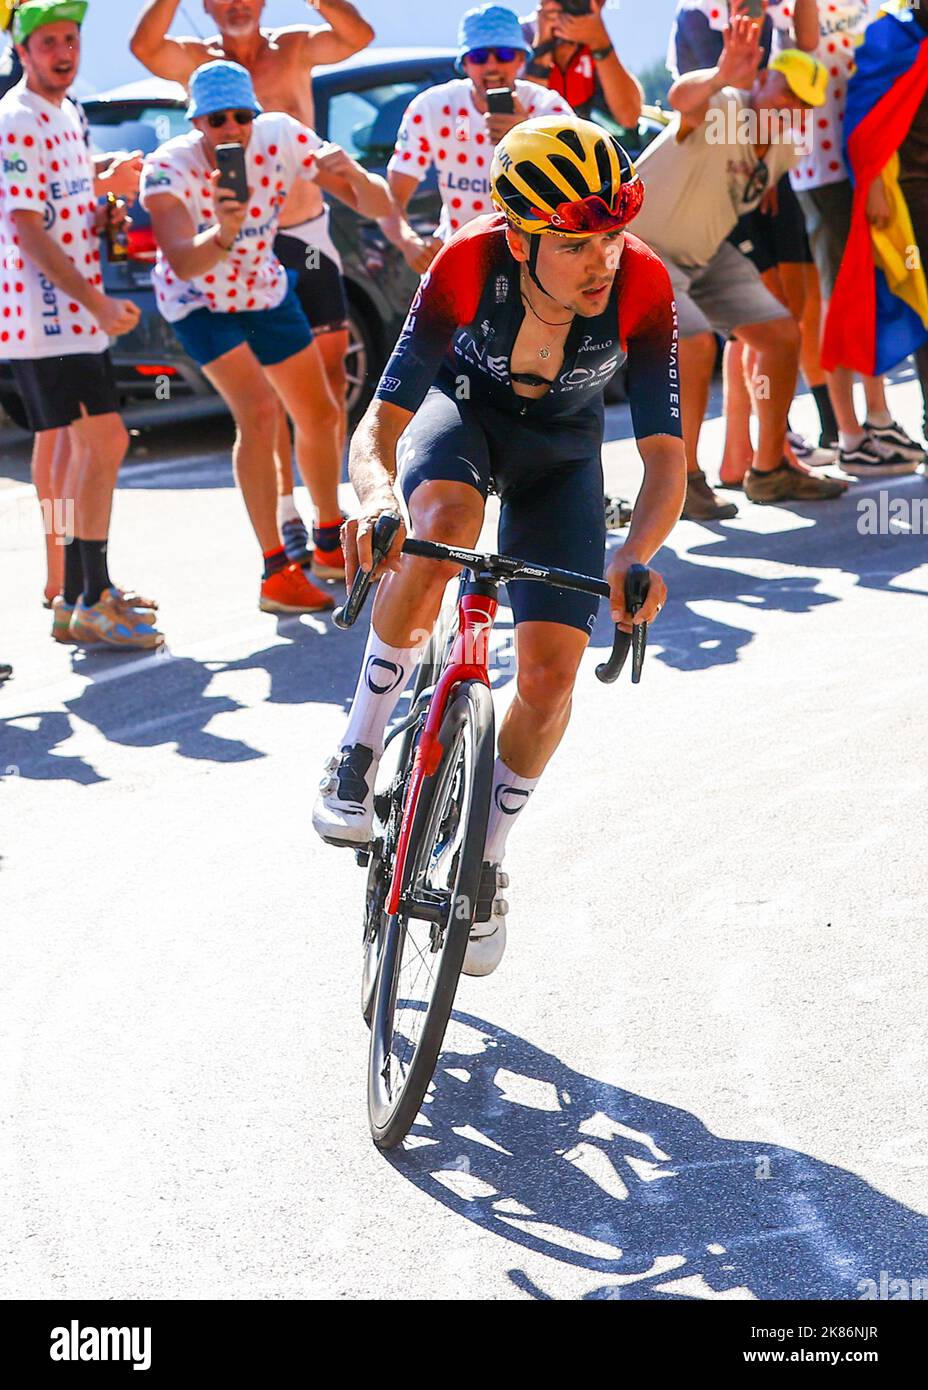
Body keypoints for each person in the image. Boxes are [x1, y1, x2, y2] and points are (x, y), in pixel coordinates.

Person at [314, 115, 685, 977]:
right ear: (520, 237)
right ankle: (360, 745)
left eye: (614, 235)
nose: (604, 260)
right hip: (463, 425)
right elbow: (381, 424)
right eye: (576, 242)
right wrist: (376, 502)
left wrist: (636, 554)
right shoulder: (469, 263)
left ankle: (484, 861)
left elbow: (667, 456)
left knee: (553, 674)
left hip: (562, 457)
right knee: (441, 525)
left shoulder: (643, 285)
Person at [130, 0, 376, 573]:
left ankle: (325, 517)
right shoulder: (196, 60)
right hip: (232, 246)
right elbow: (143, 49)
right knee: (260, 404)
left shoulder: (291, 47)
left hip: (305, 231)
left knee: (327, 386)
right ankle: (286, 517)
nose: (235, 4)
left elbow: (358, 36)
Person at [0, 0, 164, 650]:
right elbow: (25, 227)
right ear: (22, 50)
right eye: (48, 42)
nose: (63, 51)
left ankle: (79, 594)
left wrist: (104, 210)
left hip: (75, 315)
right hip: (47, 318)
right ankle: (87, 595)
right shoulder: (16, 117)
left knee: (81, 451)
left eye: (71, 39)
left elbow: (64, 208)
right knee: (103, 444)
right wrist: (95, 305)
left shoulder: (69, 113)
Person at [631, 18, 845, 510]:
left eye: (801, 103)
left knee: (781, 333)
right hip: (641, 245)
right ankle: (680, 483)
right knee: (697, 340)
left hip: (703, 253)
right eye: (784, 90)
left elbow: (746, 180)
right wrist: (722, 74)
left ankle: (769, 468)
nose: (788, 105)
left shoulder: (784, 149)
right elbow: (684, 99)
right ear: (765, 78)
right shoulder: (724, 105)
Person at [777, 0, 925, 474]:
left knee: (869, 287)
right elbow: (794, 59)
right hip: (822, 167)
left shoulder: (864, 3)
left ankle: (877, 419)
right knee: (838, 293)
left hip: (865, 163)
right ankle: (852, 435)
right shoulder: (790, 7)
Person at [385, 4, 574, 266]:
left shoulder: (548, 109)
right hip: (462, 256)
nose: (492, 66)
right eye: (479, 57)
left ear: (521, 60)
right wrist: (407, 242)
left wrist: (528, 139)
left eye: (505, 54)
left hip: (536, 262)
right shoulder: (433, 108)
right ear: (463, 63)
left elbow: (578, 191)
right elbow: (392, 196)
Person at [821, 0, 928, 448]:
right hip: (911, 193)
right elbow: (863, 123)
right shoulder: (891, 37)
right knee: (924, 307)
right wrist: (874, 186)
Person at [520, 0, 642, 127]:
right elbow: (527, 123)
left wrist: (601, 44)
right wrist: (542, 45)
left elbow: (629, 117)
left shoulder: (594, 37)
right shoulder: (514, 42)